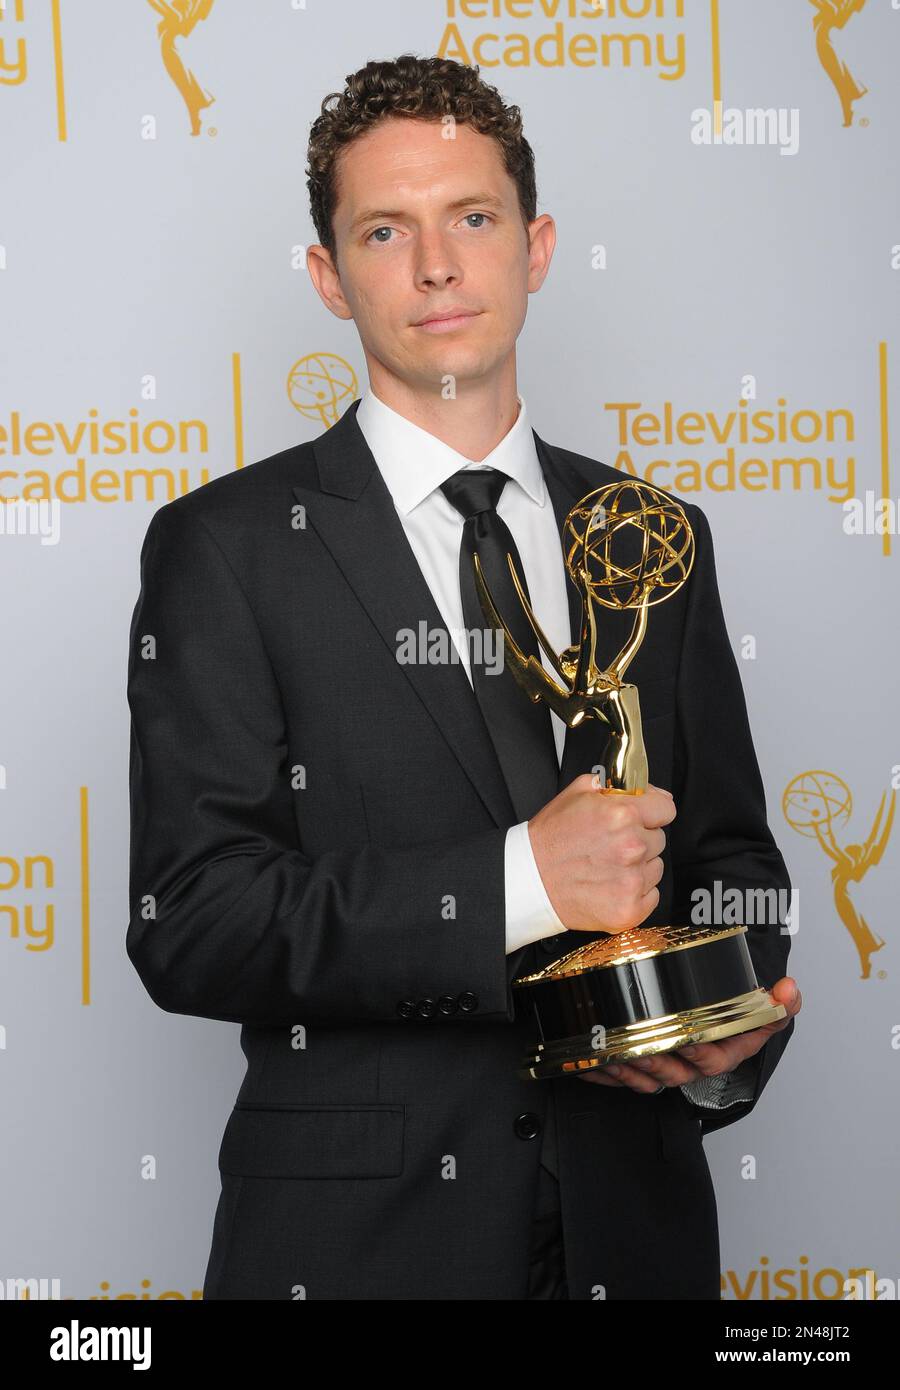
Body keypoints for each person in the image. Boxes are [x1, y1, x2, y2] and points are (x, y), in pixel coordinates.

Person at [126, 53, 801, 1301]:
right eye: (386, 230)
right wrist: (520, 881)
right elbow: (196, 920)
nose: (437, 265)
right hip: (358, 1251)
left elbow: (732, 861)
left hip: (634, 1232)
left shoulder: (653, 535)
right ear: (330, 277)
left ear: (536, 248)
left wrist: (719, 1036)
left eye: (473, 218)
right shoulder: (226, 548)